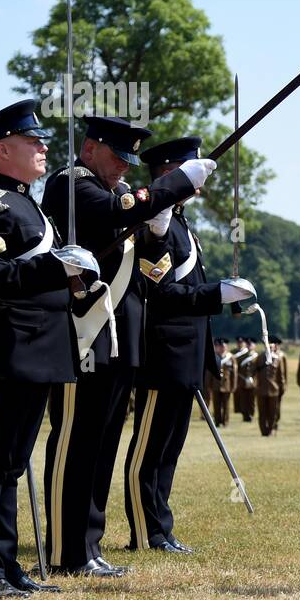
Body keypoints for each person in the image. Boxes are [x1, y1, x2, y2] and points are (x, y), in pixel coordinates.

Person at [41, 116, 211, 577]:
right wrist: (174, 185)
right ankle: (65, 549)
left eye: (129, 160)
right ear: (91, 147)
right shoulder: (71, 182)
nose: (123, 168)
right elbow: (112, 214)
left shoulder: (116, 191)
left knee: (102, 445)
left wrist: (156, 229)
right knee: (76, 440)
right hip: (86, 331)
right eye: (118, 157)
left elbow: (149, 264)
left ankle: (88, 545)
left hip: (120, 336)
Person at [0, 100, 84, 598]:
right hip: (2, 352)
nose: (43, 147)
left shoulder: (30, 204)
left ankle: (7, 568)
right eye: (33, 141)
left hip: (40, 349)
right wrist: (57, 268)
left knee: (11, 464)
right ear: (2, 149)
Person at [124, 137, 252, 553]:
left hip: (187, 355)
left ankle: (161, 529)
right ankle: (146, 532)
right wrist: (216, 294)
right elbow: (160, 296)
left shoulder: (179, 223)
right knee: (150, 449)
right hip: (163, 354)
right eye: (188, 170)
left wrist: (219, 294)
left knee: (168, 450)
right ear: (168, 174)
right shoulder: (154, 227)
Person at [254, 335, 287, 436]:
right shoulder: (259, 358)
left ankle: (271, 429)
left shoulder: (278, 359)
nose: (270, 345)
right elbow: (254, 373)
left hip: (274, 389)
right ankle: (264, 431)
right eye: (268, 343)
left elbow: (281, 376)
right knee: (262, 412)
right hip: (261, 389)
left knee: (273, 412)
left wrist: (282, 389)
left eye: (271, 344)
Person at [211, 337, 236, 426]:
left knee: (226, 405)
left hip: (227, 385)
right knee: (216, 405)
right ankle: (217, 422)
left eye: (223, 346)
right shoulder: (214, 357)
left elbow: (234, 373)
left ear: (226, 347)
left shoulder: (231, 357)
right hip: (216, 384)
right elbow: (209, 373)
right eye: (219, 346)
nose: (221, 348)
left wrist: (234, 386)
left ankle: (225, 422)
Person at [237, 338, 259, 422]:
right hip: (243, 381)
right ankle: (244, 415)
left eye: (251, 344)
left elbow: (258, 370)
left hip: (253, 382)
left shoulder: (257, 357)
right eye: (248, 344)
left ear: (254, 345)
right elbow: (237, 369)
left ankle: (251, 415)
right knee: (243, 399)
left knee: (251, 400)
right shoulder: (241, 356)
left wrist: (254, 379)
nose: (249, 345)